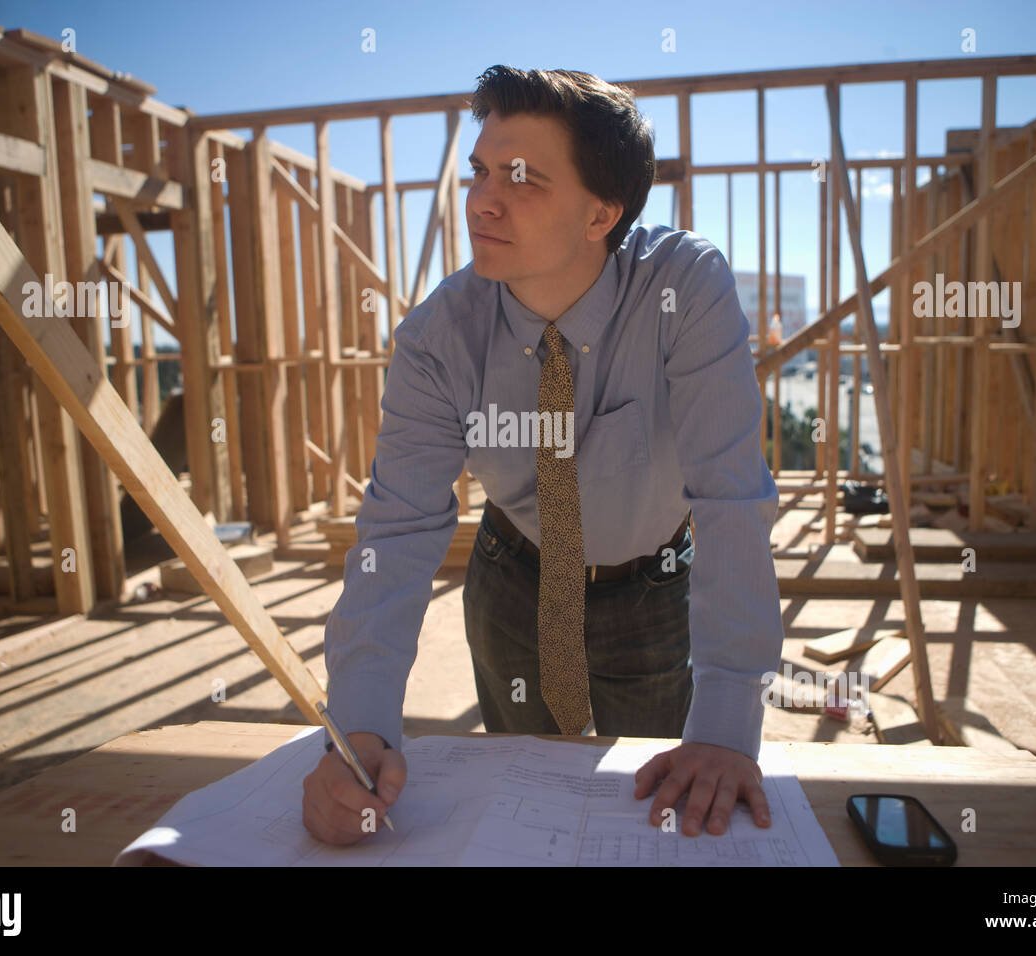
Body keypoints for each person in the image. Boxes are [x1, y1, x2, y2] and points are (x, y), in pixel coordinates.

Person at [302, 65, 783, 847]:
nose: (482, 200)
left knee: (661, 818)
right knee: (529, 811)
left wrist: (728, 726)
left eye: (521, 178)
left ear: (601, 213)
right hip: (512, 579)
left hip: (653, 588)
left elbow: (731, 498)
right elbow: (394, 535)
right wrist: (357, 732)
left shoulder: (685, 289)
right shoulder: (438, 338)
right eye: (480, 172)